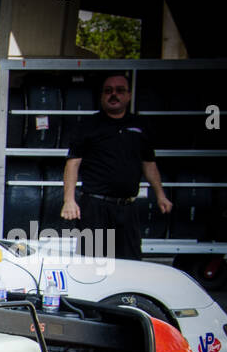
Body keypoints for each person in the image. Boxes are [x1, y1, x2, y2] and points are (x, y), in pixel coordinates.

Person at [61, 73, 172, 262]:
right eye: (108, 91)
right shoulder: (88, 125)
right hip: (95, 207)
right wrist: (69, 200)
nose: (114, 95)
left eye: (120, 91)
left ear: (128, 96)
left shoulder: (139, 125)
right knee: (93, 266)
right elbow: (73, 163)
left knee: (131, 263)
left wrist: (160, 195)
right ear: (102, 96)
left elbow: (149, 163)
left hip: (127, 208)